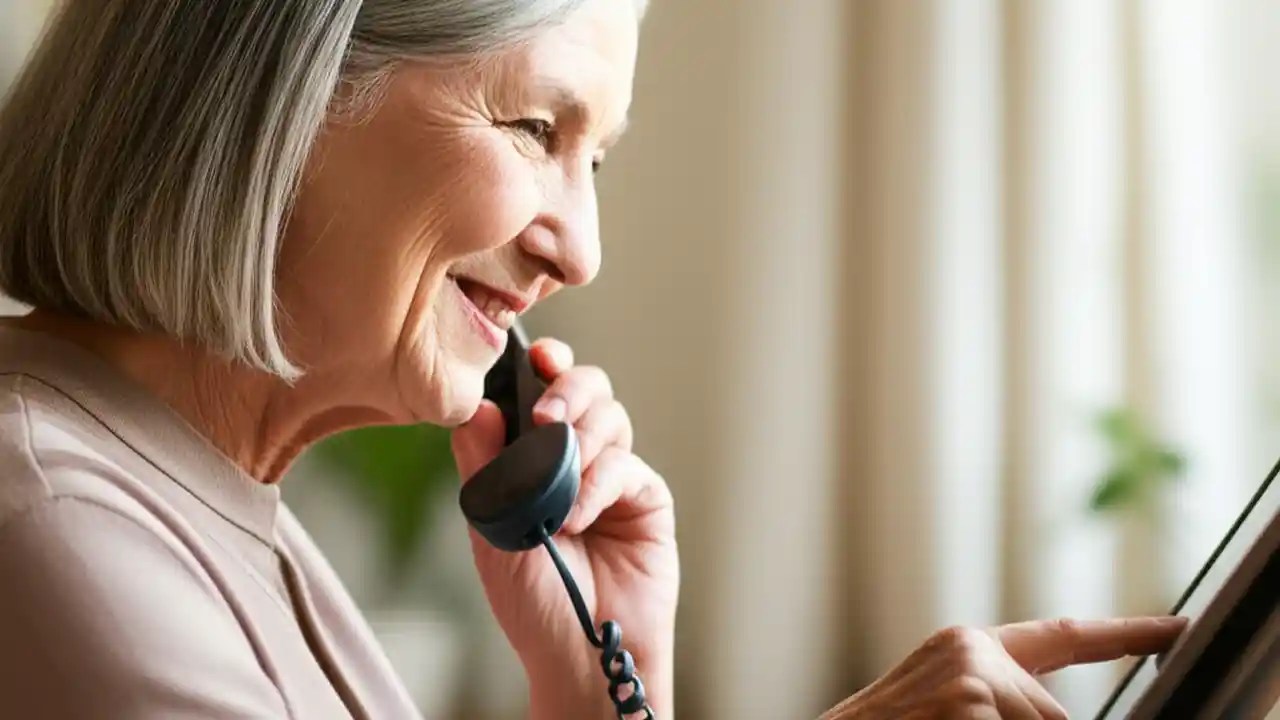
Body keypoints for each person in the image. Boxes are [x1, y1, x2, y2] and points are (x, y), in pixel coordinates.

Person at [0, 1, 1184, 718]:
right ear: (280, 100)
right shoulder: (49, 521)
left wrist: (597, 681)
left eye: (596, 161)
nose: (581, 247)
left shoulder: (213, 508)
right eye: (533, 130)